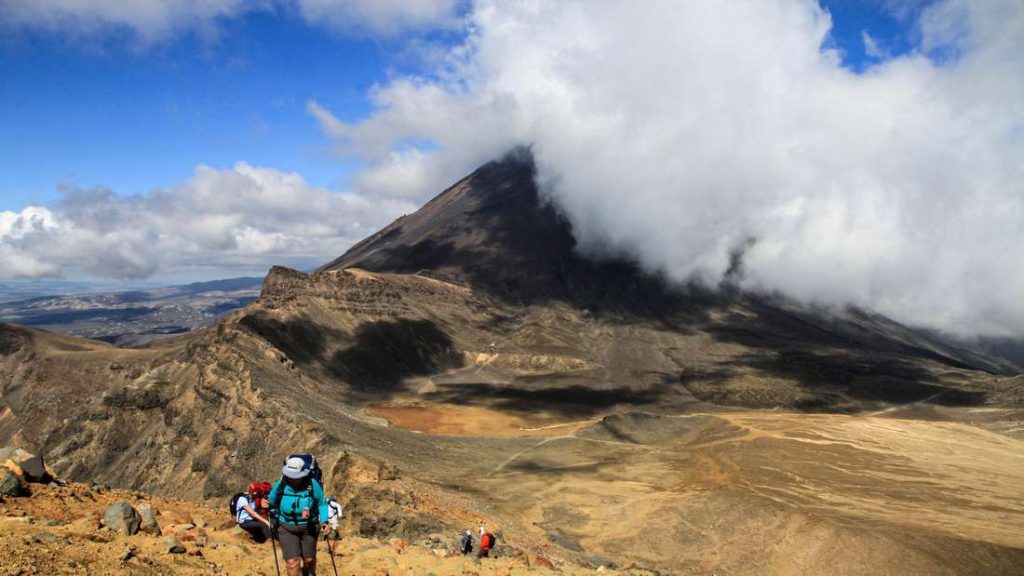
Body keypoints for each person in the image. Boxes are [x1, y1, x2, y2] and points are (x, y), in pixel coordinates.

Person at [269, 456, 330, 576]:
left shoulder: (312, 485)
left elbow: (322, 503)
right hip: (286, 528)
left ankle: (309, 572)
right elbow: (271, 500)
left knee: (309, 560)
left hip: (309, 527)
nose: (293, 479)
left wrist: (324, 521)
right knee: (292, 562)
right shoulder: (280, 485)